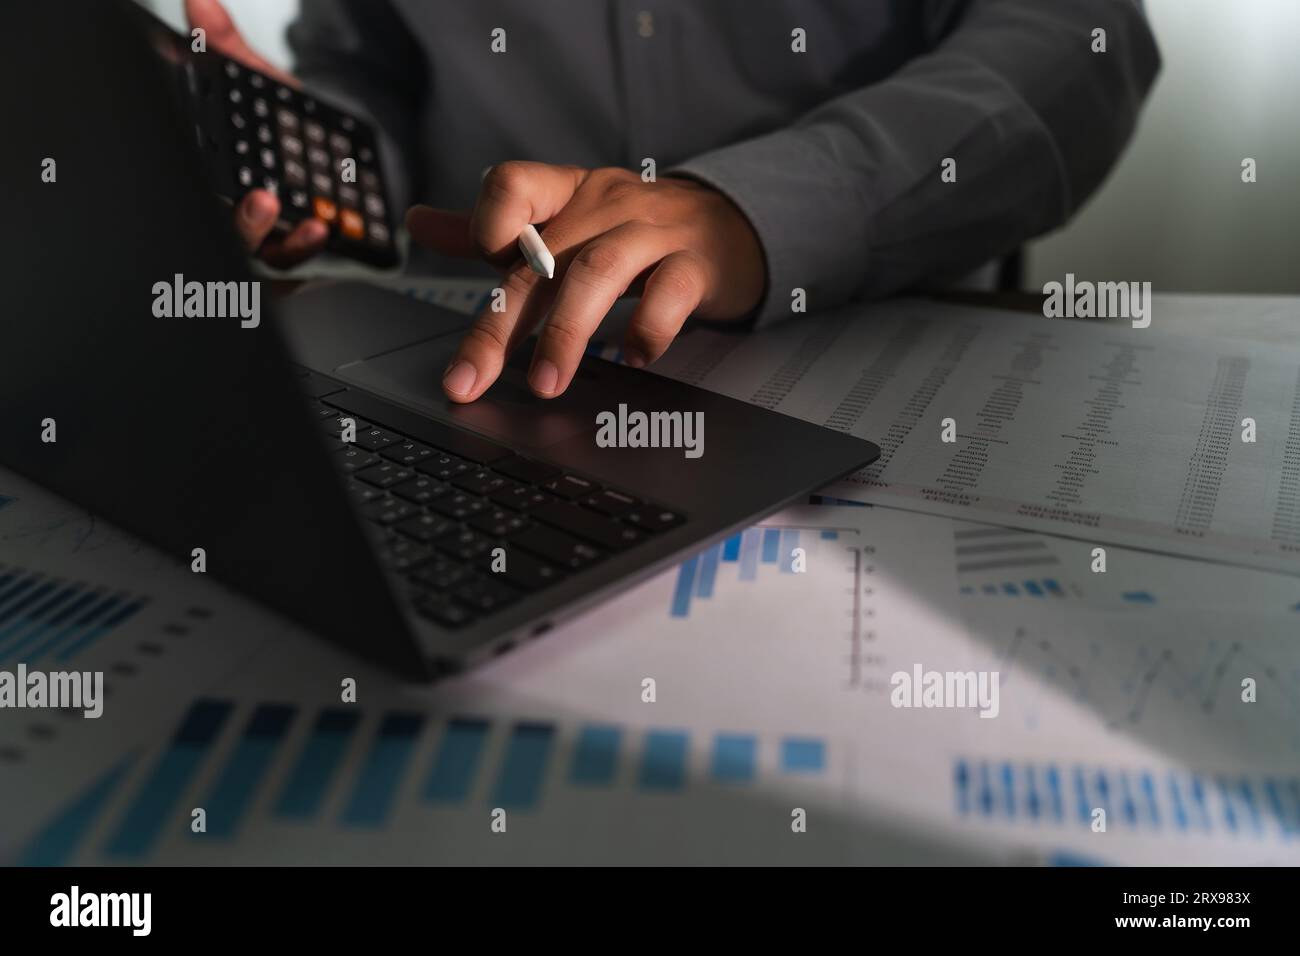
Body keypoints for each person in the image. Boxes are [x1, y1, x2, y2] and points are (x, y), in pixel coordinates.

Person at [187, 0, 1160, 402]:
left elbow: (1081, 37)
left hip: (863, 372)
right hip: (466, 372)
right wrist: (312, 161)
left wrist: (760, 210)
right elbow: (370, 72)